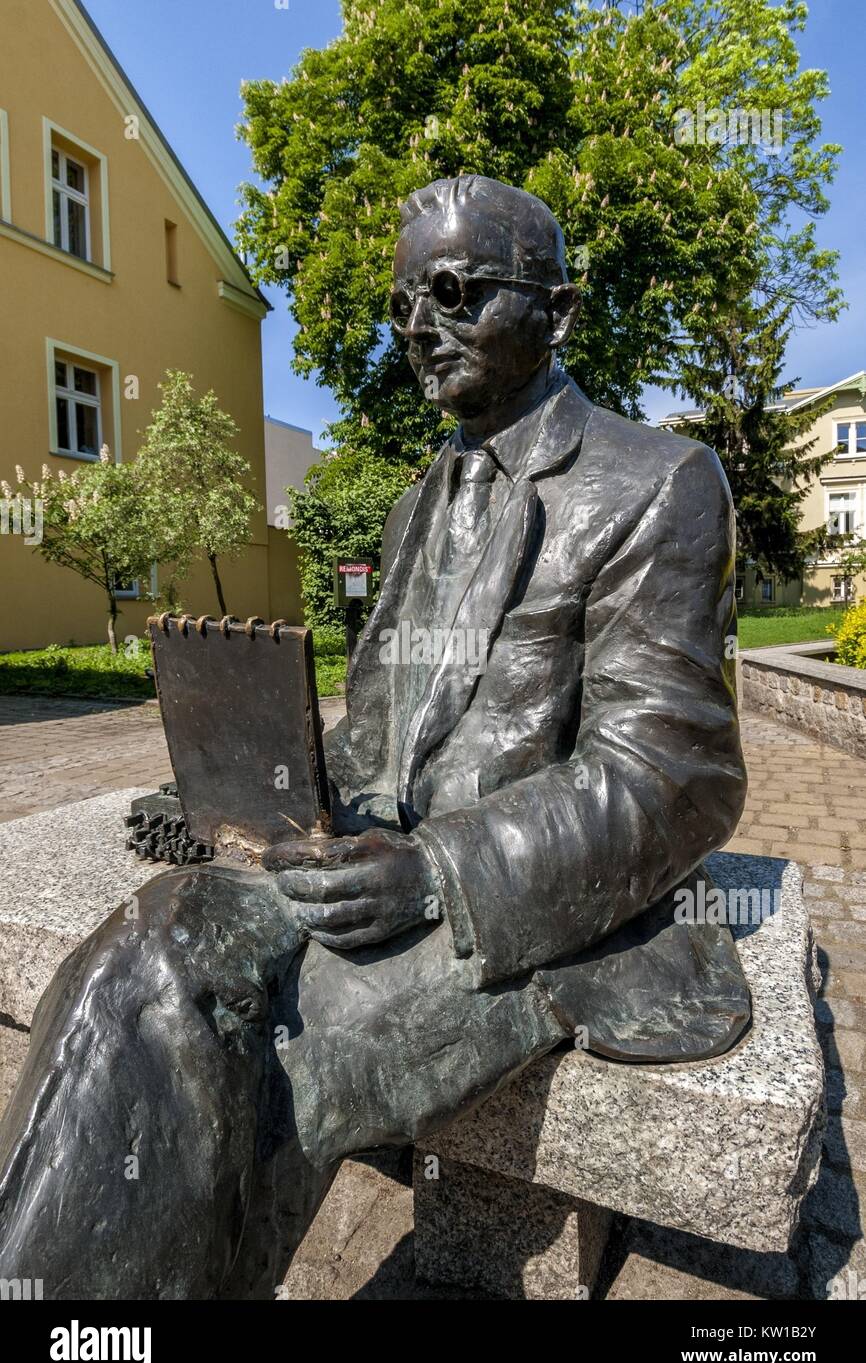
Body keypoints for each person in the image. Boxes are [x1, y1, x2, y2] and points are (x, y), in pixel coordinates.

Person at [0, 176, 749, 1300]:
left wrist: (441, 870)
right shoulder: (416, 504)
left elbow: (675, 776)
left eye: (453, 292)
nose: (419, 330)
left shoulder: (659, 482)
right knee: (136, 957)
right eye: (404, 305)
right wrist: (230, 793)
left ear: (558, 308)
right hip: (365, 863)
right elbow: (376, 738)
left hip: (523, 905)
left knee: (252, 1060)